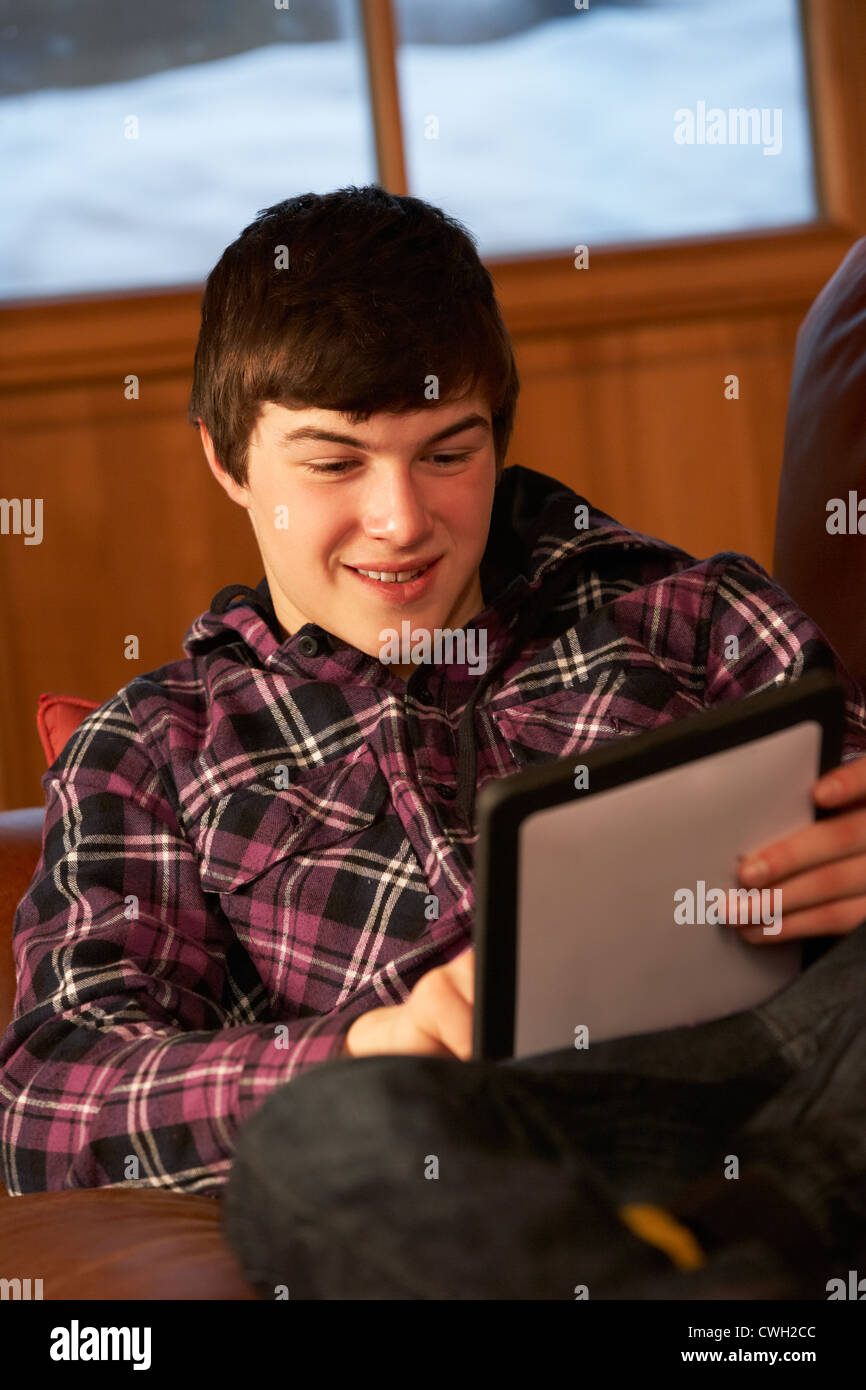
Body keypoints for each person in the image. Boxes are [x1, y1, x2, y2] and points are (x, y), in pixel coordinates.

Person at [2, 186, 866, 1299]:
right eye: (333, 463)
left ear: (498, 433)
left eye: (445, 454)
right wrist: (366, 1045)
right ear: (226, 459)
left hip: (781, 1066)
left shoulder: (696, 616)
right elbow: (49, 1094)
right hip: (472, 1138)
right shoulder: (156, 746)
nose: (401, 519)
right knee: (318, 1145)